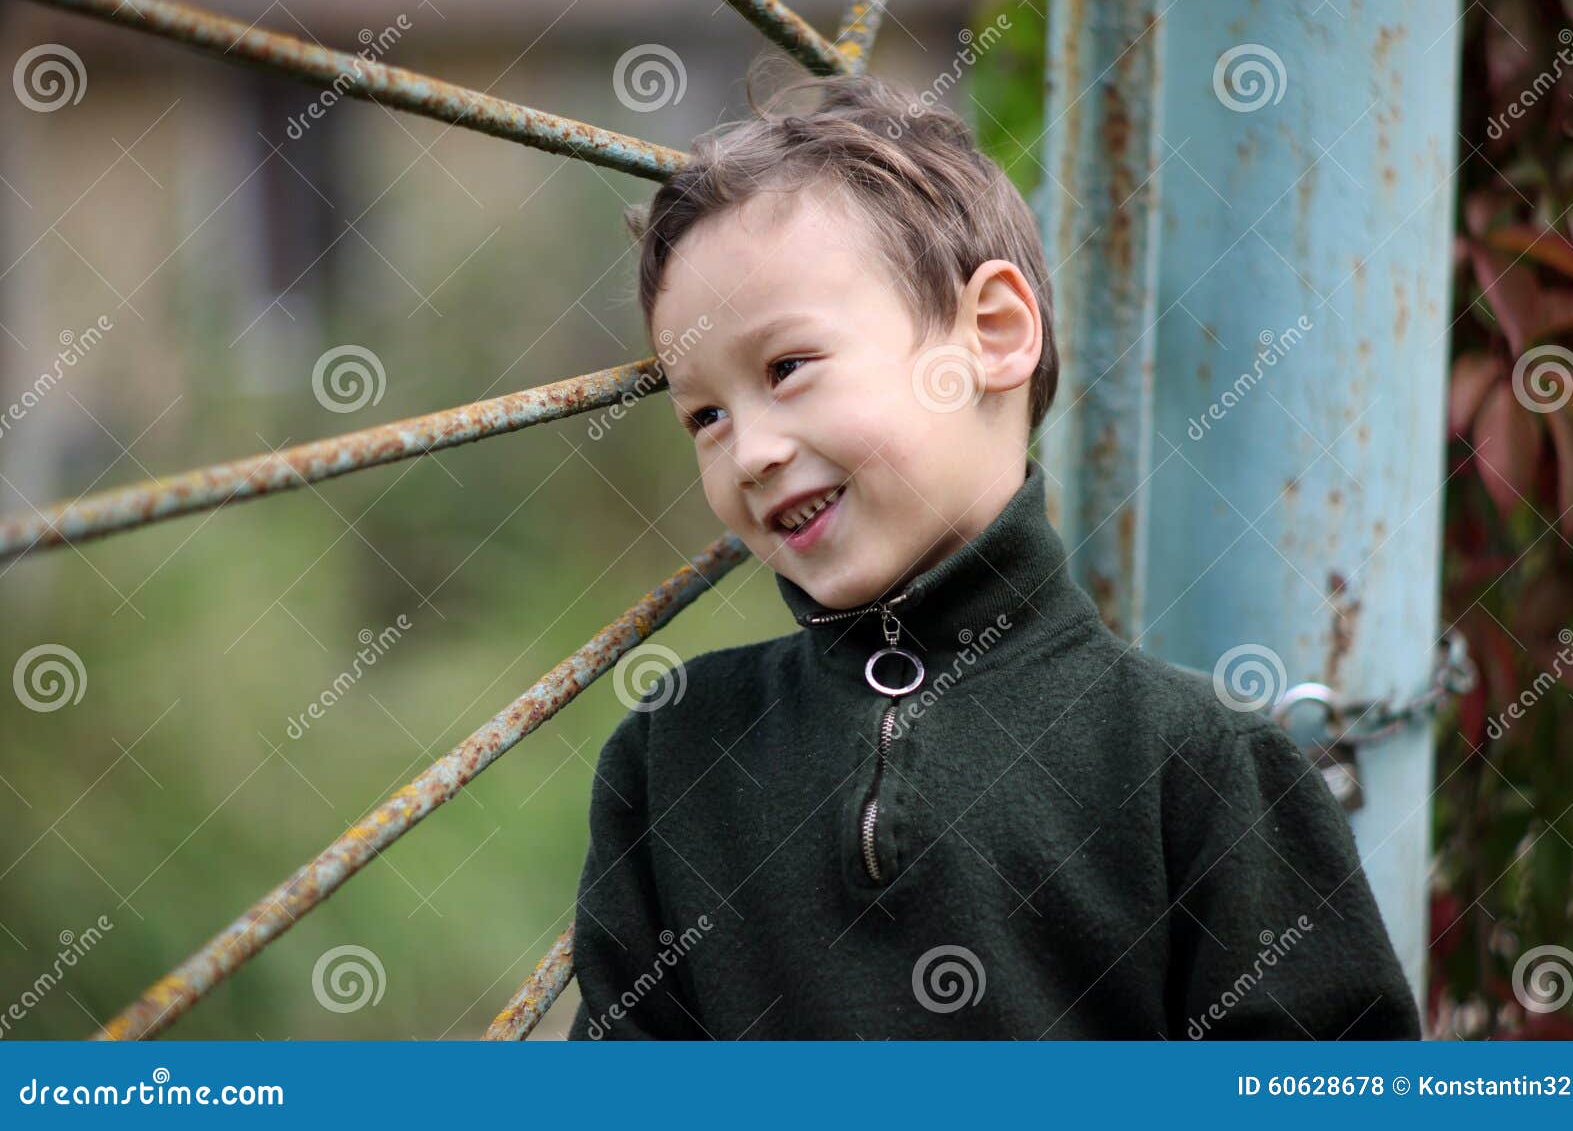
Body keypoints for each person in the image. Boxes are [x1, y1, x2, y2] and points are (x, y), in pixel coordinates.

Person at [565, 71, 1420, 1040]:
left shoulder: (1191, 762)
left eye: (787, 368)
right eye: (705, 414)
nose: (750, 450)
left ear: (993, 334)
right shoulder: (678, 752)